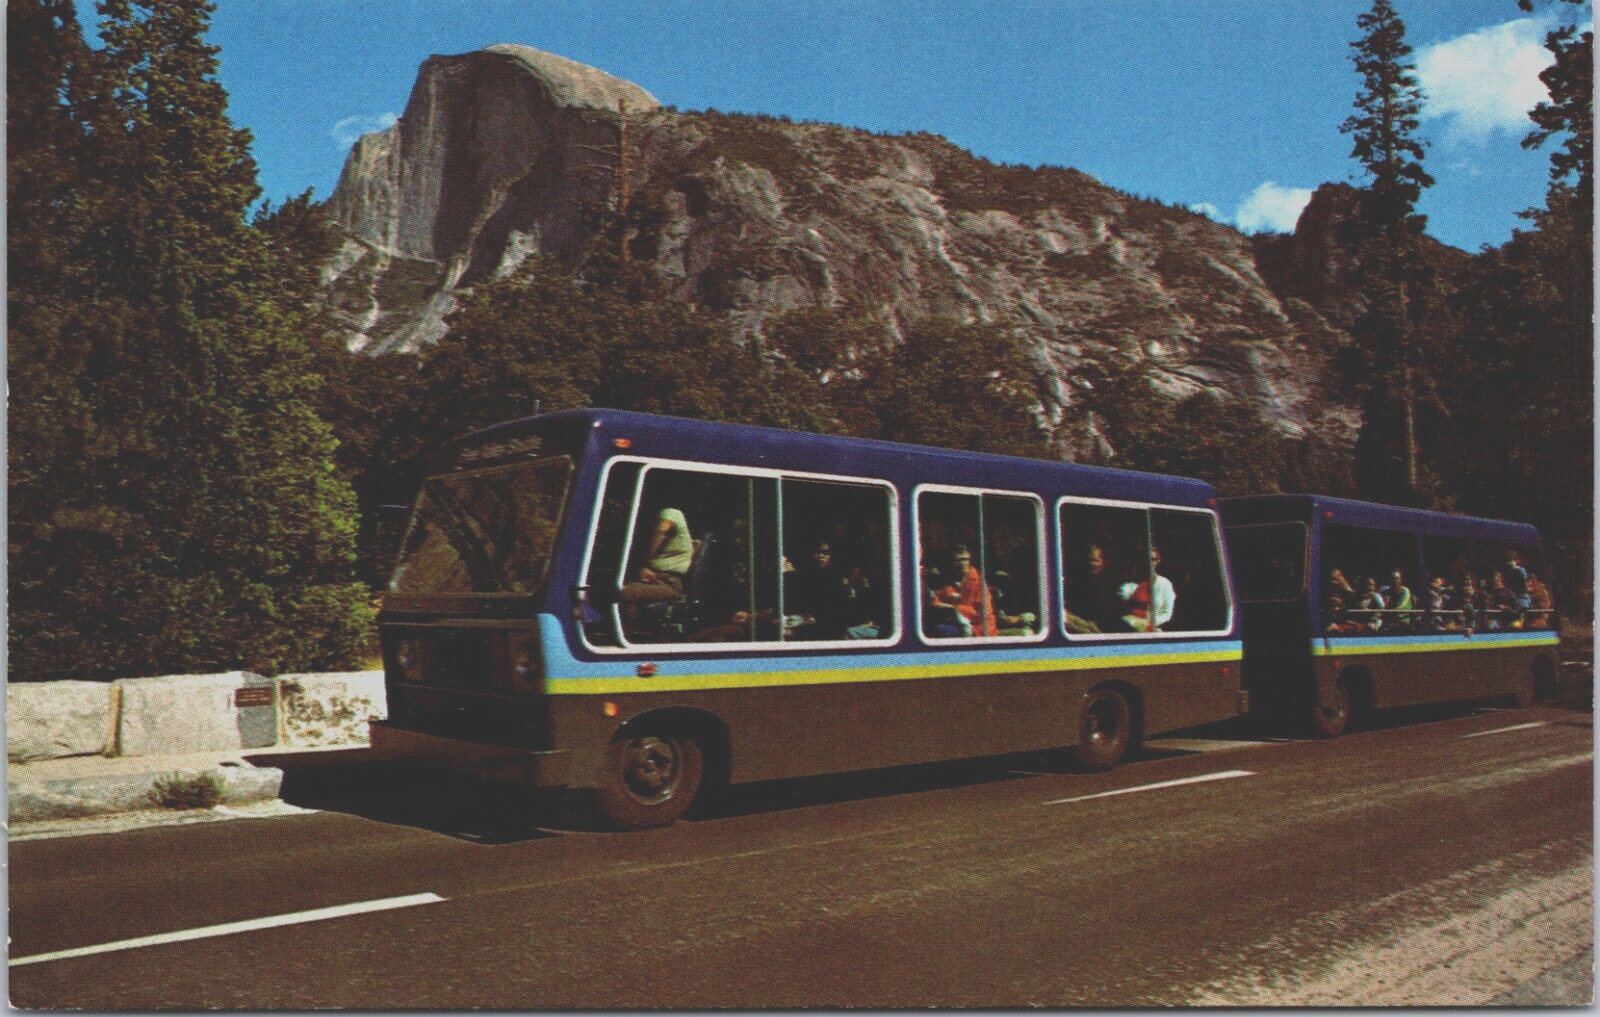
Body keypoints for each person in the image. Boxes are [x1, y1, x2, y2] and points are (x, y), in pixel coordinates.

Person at [618, 506, 693, 630]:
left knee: (625, 592)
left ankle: (627, 635)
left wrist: (646, 562)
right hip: (657, 578)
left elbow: (661, 529)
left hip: (670, 583)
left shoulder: (672, 513)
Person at [929, 544, 998, 637]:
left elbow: (982, 614)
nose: (961, 563)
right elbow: (936, 603)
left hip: (980, 630)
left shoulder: (979, 583)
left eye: (964, 559)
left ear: (969, 559)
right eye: (957, 560)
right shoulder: (948, 582)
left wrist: (955, 609)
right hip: (957, 624)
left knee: (941, 630)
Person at [1119, 546, 1175, 633]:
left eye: (1153, 559)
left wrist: (1149, 623)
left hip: (1152, 631)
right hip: (1131, 630)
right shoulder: (1133, 583)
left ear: (1157, 560)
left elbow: (1167, 614)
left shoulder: (1164, 584)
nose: (1149, 563)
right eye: (1146, 559)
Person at [1066, 543, 1120, 634]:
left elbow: (1109, 613)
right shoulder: (1080, 582)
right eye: (1089, 560)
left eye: (1095, 561)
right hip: (1084, 624)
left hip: (1101, 628)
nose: (1092, 564)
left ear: (1102, 561)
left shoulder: (1109, 584)